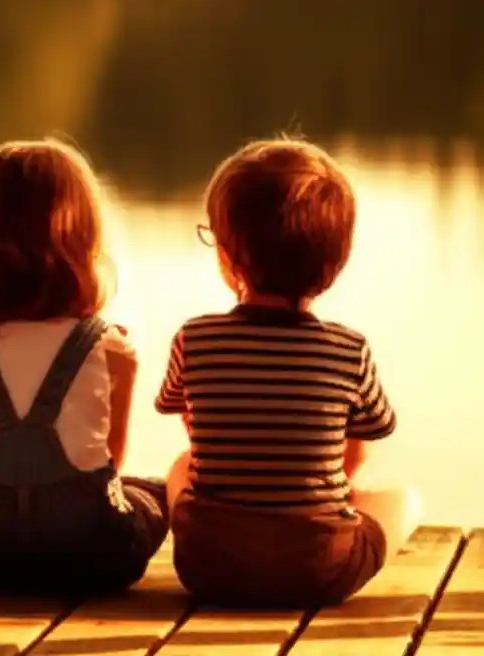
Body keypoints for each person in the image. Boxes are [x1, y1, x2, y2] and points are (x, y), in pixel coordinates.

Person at [156, 138, 423, 607]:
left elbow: (197, 440)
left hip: (209, 567)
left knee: (180, 466)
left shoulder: (195, 339)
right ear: (335, 266)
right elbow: (355, 454)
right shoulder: (348, 349)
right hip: (320, 570)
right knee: (404, 499)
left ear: (227, 257)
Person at [0, 138, 168, 594]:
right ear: (82, 239)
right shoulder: (111, 349)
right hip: (89, 556)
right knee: (152, 493)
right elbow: (109, 466)